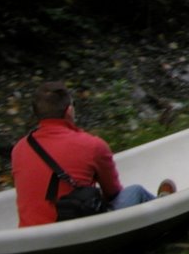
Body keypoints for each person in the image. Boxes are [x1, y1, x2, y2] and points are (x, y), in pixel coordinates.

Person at [11, 81, 176, 226]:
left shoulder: (19, 149)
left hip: (30, 232)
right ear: (69, 111)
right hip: (76, 232)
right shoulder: (92, 145)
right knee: (135, 191)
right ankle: (166, 207)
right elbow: (113, 193)